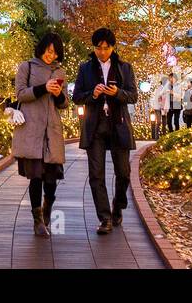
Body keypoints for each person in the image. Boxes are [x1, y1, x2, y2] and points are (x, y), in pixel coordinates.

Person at [72, 27, 139, 234]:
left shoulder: (124, 67)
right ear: (94, 48)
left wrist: (117, 92)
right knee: (96, 175)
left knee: (124, 173)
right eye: (98, 48)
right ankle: (105, 218)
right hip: (95, 126)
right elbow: (76, 97)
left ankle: (118, 207)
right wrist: (92, 93)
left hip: (118, 124)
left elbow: (133, 96)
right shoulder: (86, 68)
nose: (102, 52)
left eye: (106, 48)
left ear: (112, 47)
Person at [12, 32, 67, 237]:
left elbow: (64, 103)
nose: (50, 55)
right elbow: (20, 94)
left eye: (54, 53)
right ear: (42, 47)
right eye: (48, 50)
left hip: (51, 131)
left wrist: (58, 93)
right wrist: (43, 88)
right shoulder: (27, 66)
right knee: (36, 177)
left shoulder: (60, 71)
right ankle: (37, 221)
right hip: (31, 130)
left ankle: (47, 210)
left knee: (51, 181)